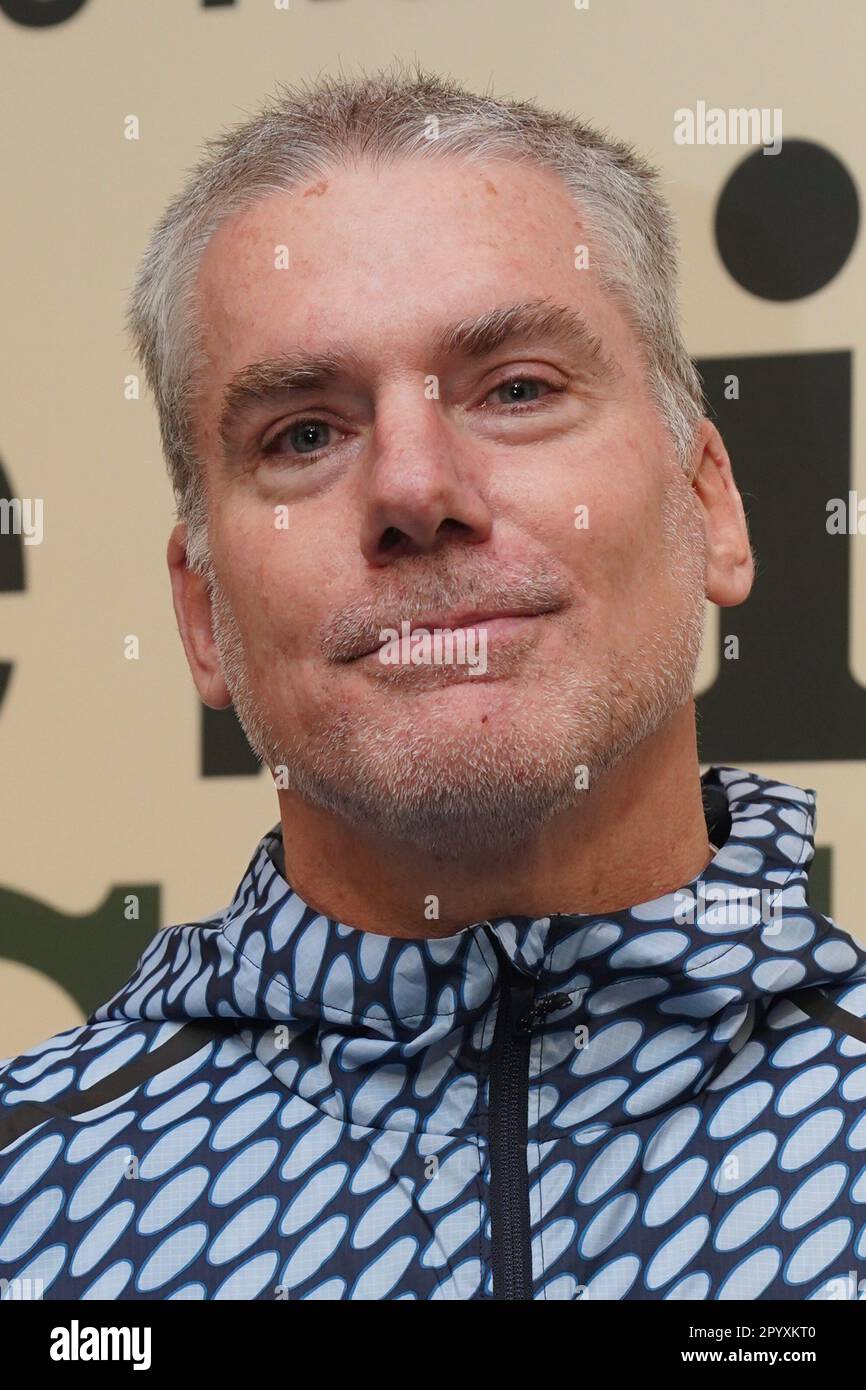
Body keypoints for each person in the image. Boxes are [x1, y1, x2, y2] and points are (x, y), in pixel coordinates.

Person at [2, 63, 864, 1302]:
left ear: (708, 505)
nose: (413, 489)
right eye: (303, 433)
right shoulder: (27, 1201)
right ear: (200, 612)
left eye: (516, 390)